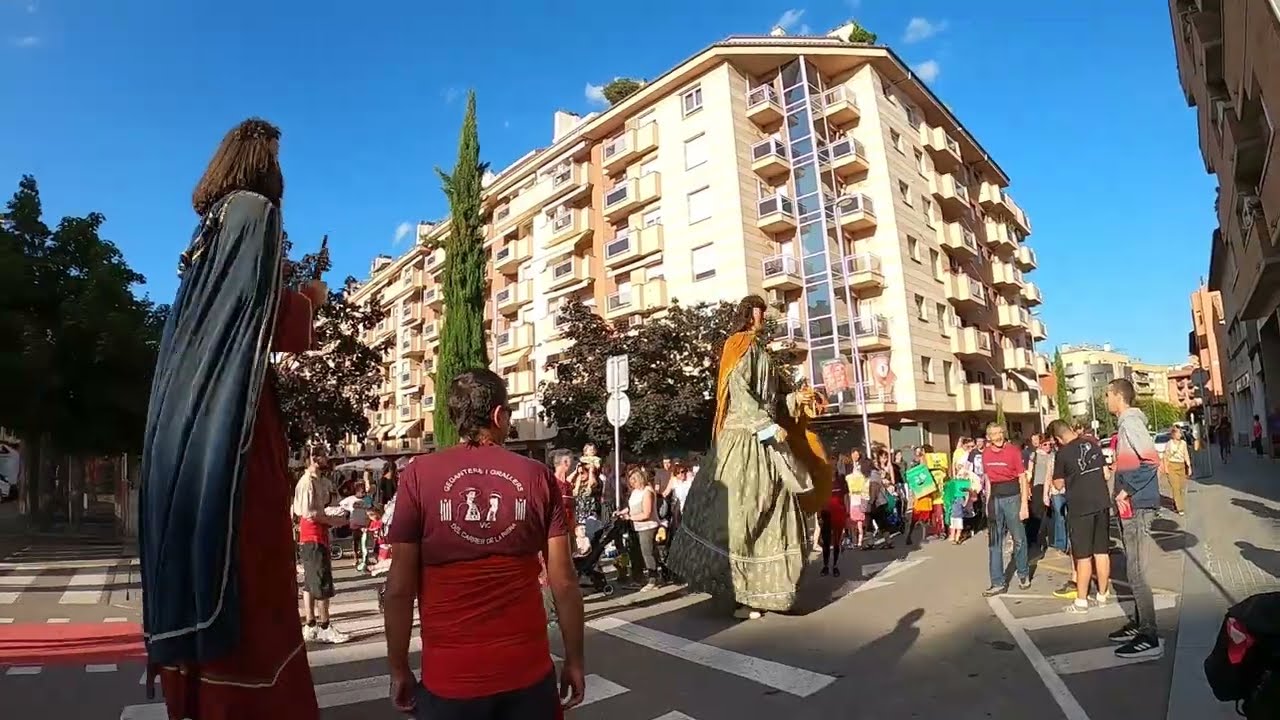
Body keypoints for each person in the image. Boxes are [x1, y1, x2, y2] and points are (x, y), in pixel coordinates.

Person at [138, 118, 330, 719]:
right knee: (249, 568)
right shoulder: (255, 213)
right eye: (275, 155)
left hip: (188, 414)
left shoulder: (209, 228)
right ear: (258, 159)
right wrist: (310, 301)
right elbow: (278, 322)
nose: (281, 169)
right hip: (235, 421)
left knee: (196, 552)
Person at [383, 368, 585, 718]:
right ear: (498, 415)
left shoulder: (418, 475)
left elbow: (399, 587)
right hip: (527, 676)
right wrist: (575, 659)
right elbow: (564, 582)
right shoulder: (538, 477)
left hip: (450, 683)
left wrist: (398, 667)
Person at [666, 295, 830, 620]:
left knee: (778, 513)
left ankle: (766, 594)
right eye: (760, 311)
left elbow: (772, 399)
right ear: (749, 313)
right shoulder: (739, 344)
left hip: (767, 442)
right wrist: (764, 426)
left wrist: (796, 398)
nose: (763, 317)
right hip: (744, 439)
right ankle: (739, 596)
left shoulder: (761, 350)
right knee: (743, 515)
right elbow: (739, 390)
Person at [1105, 378, 1164, 659]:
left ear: (1119, 396)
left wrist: (1126, 491)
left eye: (1107, 395)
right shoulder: (1125, 425)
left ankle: (1149, 633)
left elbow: (1152, 461)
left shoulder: (1130, 423)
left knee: (1136, 571)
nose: (1105, 400)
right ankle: (1140, 623)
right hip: (1131, 505)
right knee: (1133, 568)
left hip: (1137, 505)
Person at [1046, 420, 1113, 615]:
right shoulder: (1092, 443)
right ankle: (1102, 594)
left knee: (1083, 556)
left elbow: (1058, 485)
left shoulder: (1063, 453)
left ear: (1058, 438)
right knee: (1102, 551)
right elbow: (1105, 473)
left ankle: (1081, 601)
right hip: (1101, 502)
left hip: (1080, 507)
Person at [293, 459, 352, 643]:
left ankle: (310, 625)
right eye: (320, 454)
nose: (325, 458)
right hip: (314, 536)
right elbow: (309, 514)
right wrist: (334, 521)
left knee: (311, 583)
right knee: (321, 583)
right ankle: (324, 626)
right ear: (311, 459)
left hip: (314, 537)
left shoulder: (317, 481)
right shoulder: (307, 483)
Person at [981, 423, 1030, 596]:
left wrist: (1024, 504)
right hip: (994, 499)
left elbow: (1022, 477)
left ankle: (1023, 573)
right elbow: (987, 480)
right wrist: (987, 503)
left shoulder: (1013, 451)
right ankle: (997, 582)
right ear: (988, 437)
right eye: (994, 433)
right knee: (994, 542)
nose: (998, 436)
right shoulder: (985, 454)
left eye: (1000, 432)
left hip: (1013, 498)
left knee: (1019, 539)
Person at [1162, 425, 1192, 516]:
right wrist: (1166, 468)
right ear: (1173, 434)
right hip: (1172, 466)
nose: (1180, 434)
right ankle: (1180, 508)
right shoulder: (1169, 444)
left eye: (1180, 432)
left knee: (1182, 488)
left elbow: (1186, 454)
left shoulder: (1183, 443)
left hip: (1181, 466)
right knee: (1176, 488)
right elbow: (1165, 457)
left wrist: (1189, 467)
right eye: (1179, 432)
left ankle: (1177, 503)